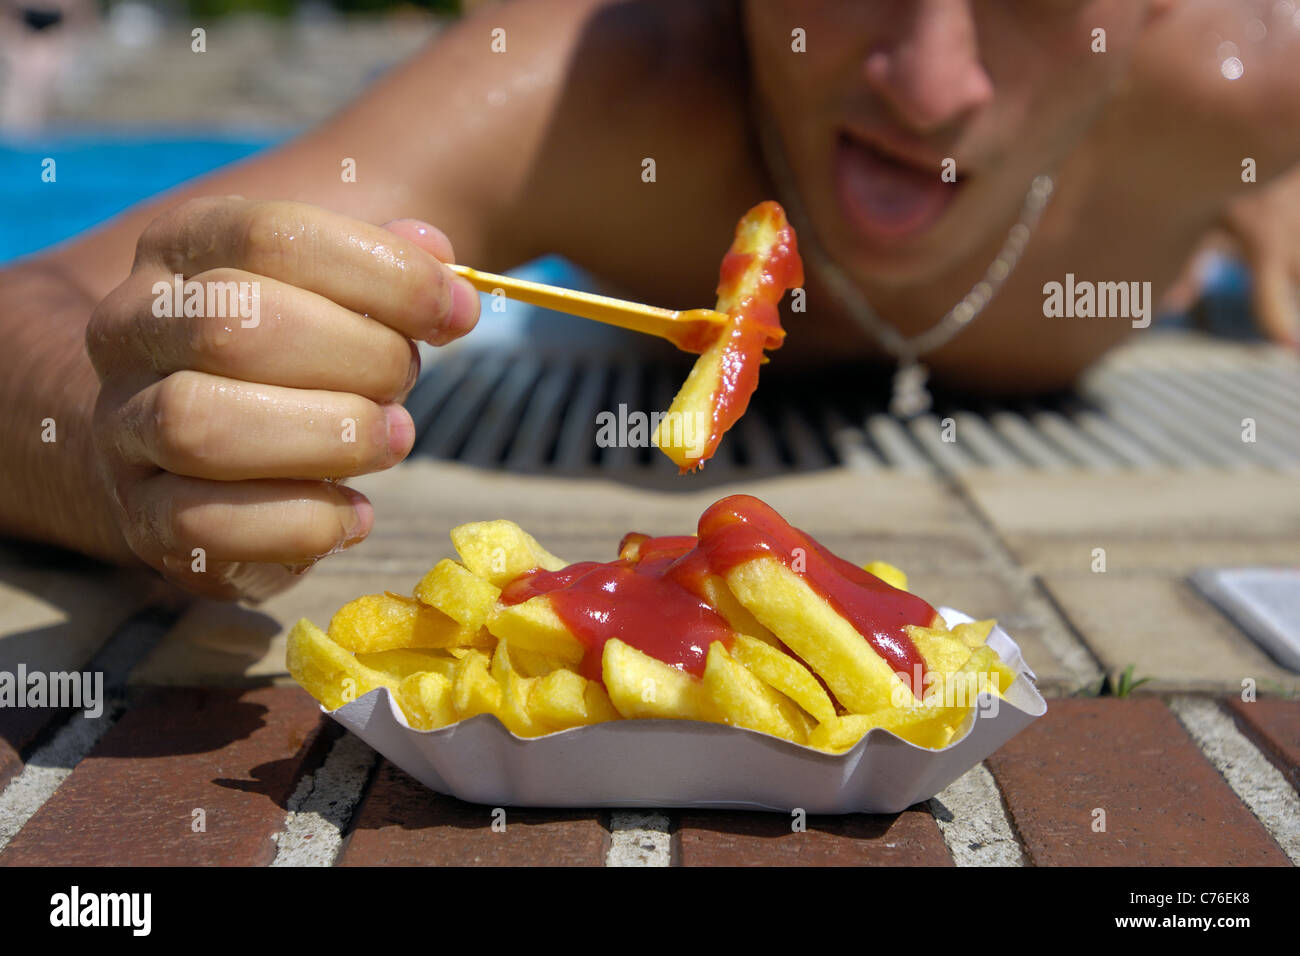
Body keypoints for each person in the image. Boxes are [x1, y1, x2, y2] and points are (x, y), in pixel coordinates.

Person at [1, 0, 1297, 602]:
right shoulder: (588, 91)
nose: (929, 84)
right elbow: (48, 299)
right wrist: (127, 446)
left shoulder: (1245, 89)